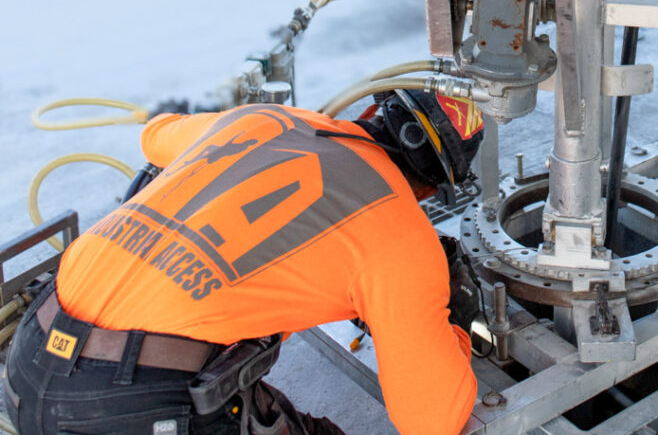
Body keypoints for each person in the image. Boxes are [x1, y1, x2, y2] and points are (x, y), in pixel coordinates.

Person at [3, 89, 485, 435]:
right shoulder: (402, 233)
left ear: (369, 111)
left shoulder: (265, 119)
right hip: (134, 409)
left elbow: (155, 136)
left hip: (27, 360)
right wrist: (451, 324)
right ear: (431, 190)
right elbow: (433, 420)